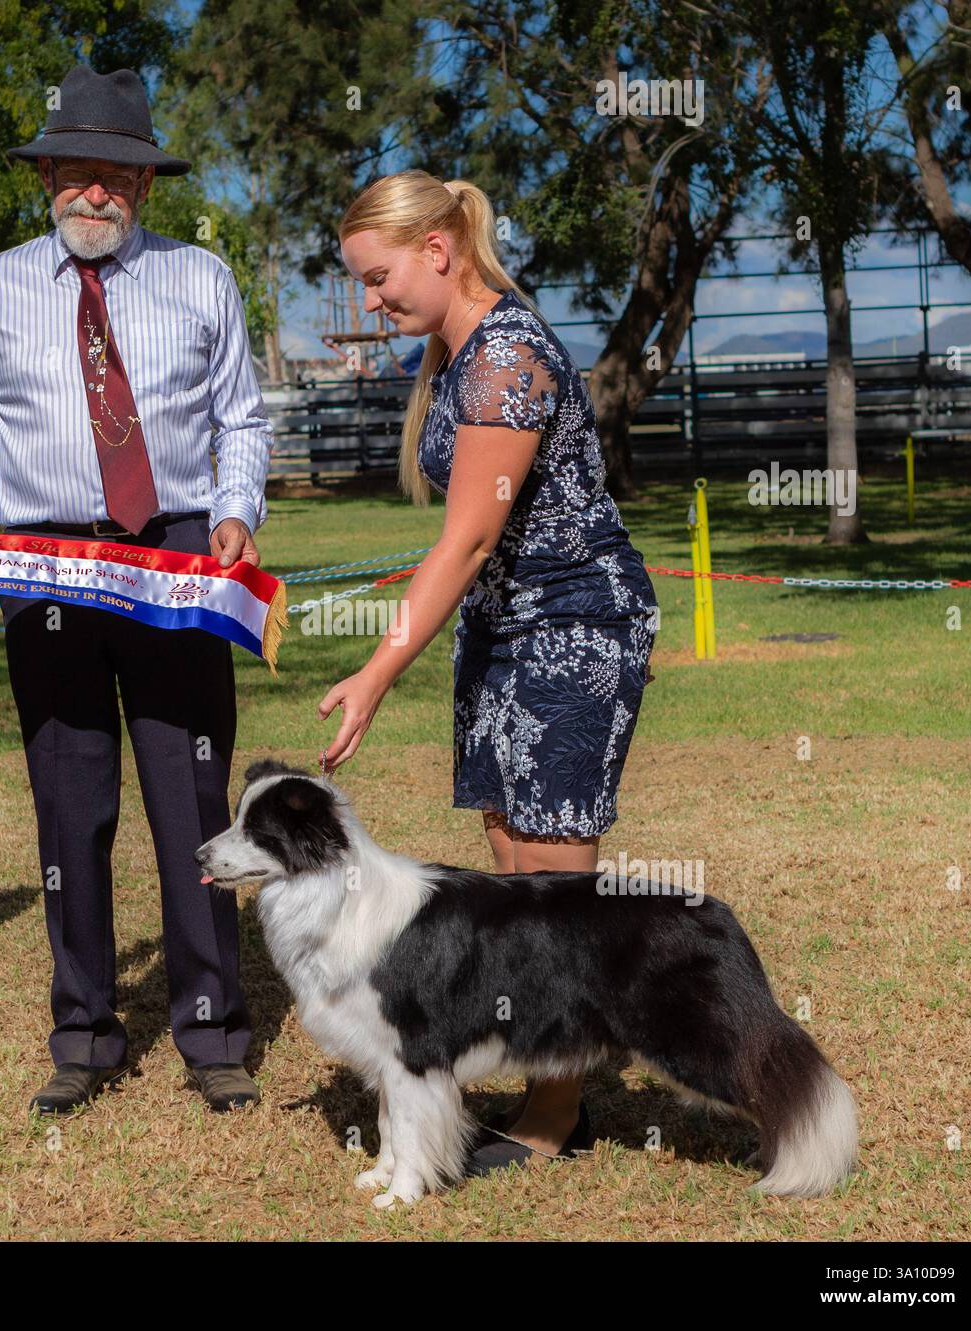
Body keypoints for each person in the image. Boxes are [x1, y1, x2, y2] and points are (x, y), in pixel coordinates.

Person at [0, 65, 272, 1117]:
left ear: (145, 186)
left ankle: (212, 1029)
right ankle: (84, 1032)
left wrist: (237, 512)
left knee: (192, 799)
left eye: (119, 173)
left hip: (177, 559)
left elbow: (241, 419)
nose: (95, 193)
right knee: (71, 806)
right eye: (78, 171)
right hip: (44, 567)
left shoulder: (203, 279)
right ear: (47, 175)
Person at [318, 169, 658, 1175]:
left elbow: (465, 541)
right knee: (515, 866)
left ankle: (560, 1109)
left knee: (553, 885)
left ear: (437, 245)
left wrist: (377, 671)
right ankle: (551, 1073)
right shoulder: (455, 344)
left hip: (571, 629)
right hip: (504, 627)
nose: (372, 302)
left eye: (379, 279)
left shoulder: (506, 356)